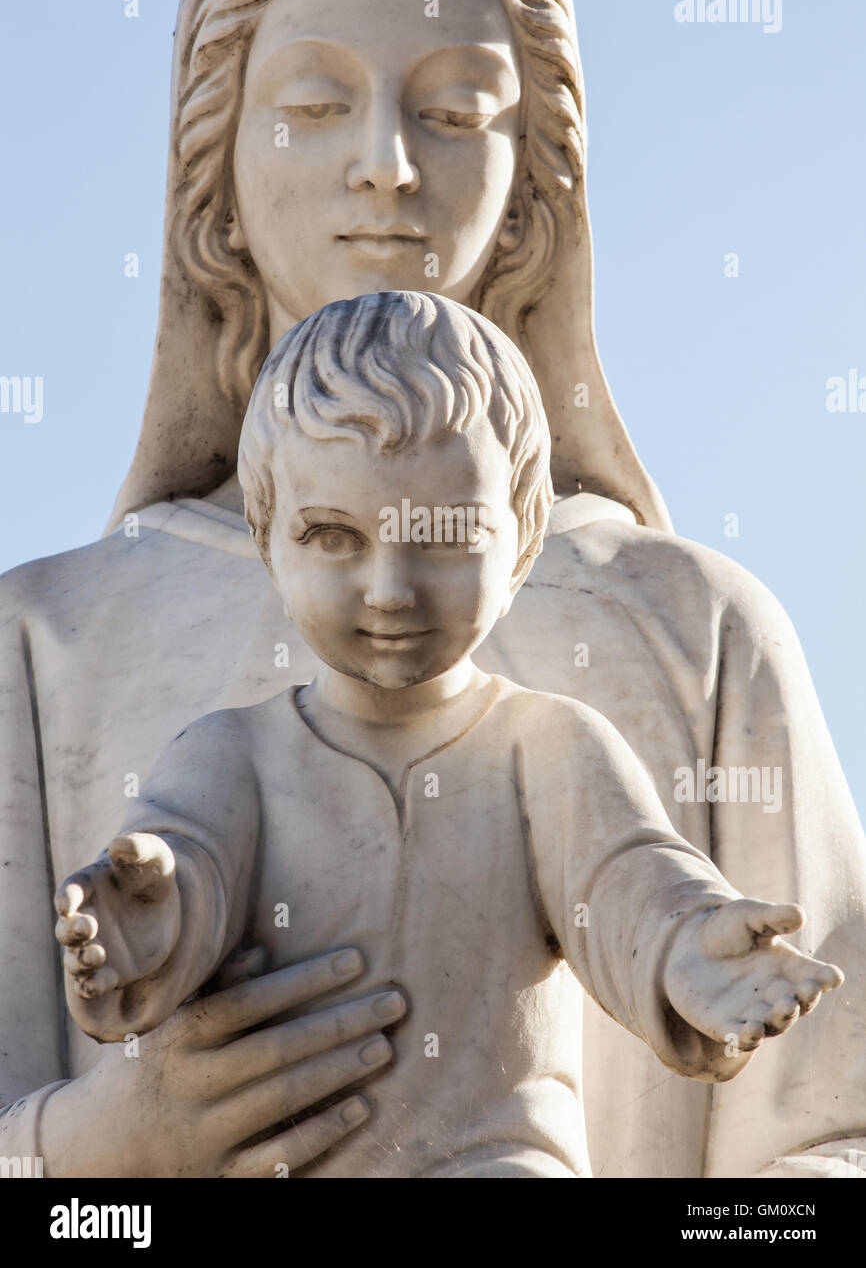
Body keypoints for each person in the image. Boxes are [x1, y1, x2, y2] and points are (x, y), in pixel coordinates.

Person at [2, 0, 864, 1179]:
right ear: (212, 161)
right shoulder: (43, 643)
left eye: (456, 111)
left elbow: (828, 1140)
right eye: (312, 104)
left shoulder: (696, 626)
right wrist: (99, 1149)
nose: (387, 164)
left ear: (534, 179)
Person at [55, 293, 842, 1179]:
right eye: (333, 537)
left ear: (522, 542)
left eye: (443, 538)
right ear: (267, 540)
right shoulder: (230, 756)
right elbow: (184, 864)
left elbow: (629, 881)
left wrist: (688, 956)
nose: (389, 589)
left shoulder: (545, 745)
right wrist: (146, 922)